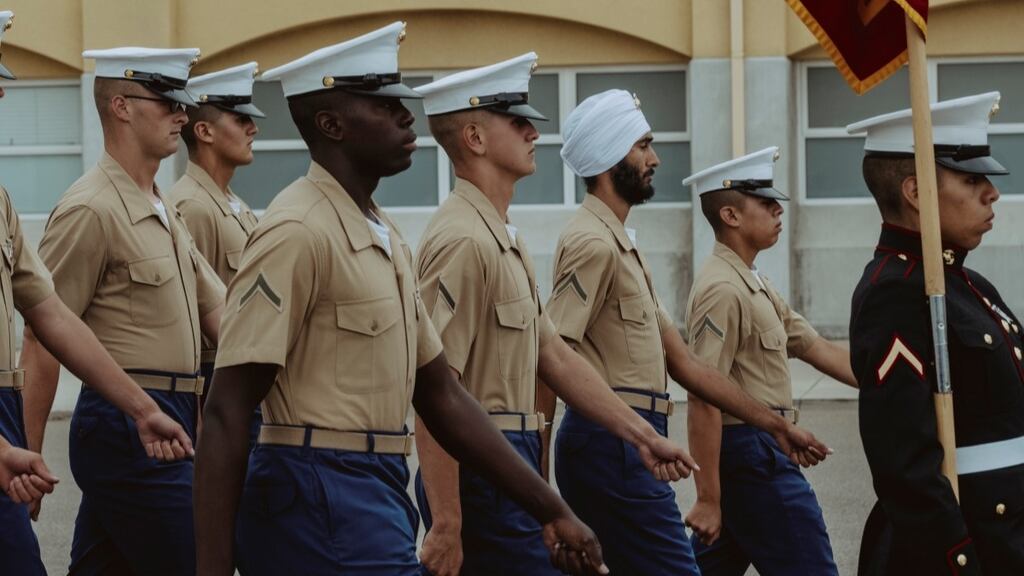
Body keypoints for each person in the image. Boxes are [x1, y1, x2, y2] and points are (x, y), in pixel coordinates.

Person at [194, 23, 609, 576]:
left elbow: (441, 394)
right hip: (317, 489)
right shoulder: (297, 229)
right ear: (331, 124)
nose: (405, 116)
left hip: (377, 489)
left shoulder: (382, 234)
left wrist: (551, 510)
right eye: (384, 105)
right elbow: (227, 409)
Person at [413, 54, 696, 576]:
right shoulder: (463, 240)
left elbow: (555, 358)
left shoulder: (503, 238)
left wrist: (643, 436)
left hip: (508, 464)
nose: (534, 132)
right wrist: (447, 522)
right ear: (474, 138)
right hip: (482, 469)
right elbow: (435, 391)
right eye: (516, 121)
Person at [547, 88, 832, 575]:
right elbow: (551, 357)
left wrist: (777, 426)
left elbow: (687, 366)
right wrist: (539, 490)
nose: (654, 158)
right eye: (642, 146)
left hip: (627, 442)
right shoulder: (591, 242)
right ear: (609, 157)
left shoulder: (622, 247)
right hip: (612, 444)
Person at [19, 46, 225, 576]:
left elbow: (221, 315)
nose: (182, 114)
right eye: (167, 102)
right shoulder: (91, 208)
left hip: (172, 414)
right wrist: (30, 452)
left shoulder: (162, 206)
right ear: (121, 106)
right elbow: (43, 334)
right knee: (199, 561)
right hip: (127, 418)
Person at [848, 91, 1024, 575]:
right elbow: (906, 469)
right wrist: (959, 562)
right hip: (964, 545)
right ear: (916, 191)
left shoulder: (967, 286)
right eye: (971, 180)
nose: (992, 193)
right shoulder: (895, 293)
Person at [681, 146, 856, 576]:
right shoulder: (722, 289)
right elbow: (702, 393)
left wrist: (897, 382)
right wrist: (708, 498)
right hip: (752, 456)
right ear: (731, 215)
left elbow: (818, 348)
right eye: (765, 202)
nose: (779, 210)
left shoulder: (753, 282)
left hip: (760, 451)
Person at [170, 62, 263, 446]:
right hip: (217, 381)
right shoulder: (192, 206)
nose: (253, 128)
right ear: (204, 131)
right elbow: (188, 320)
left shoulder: (234, 205)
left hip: (246, 374)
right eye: (240, 119)